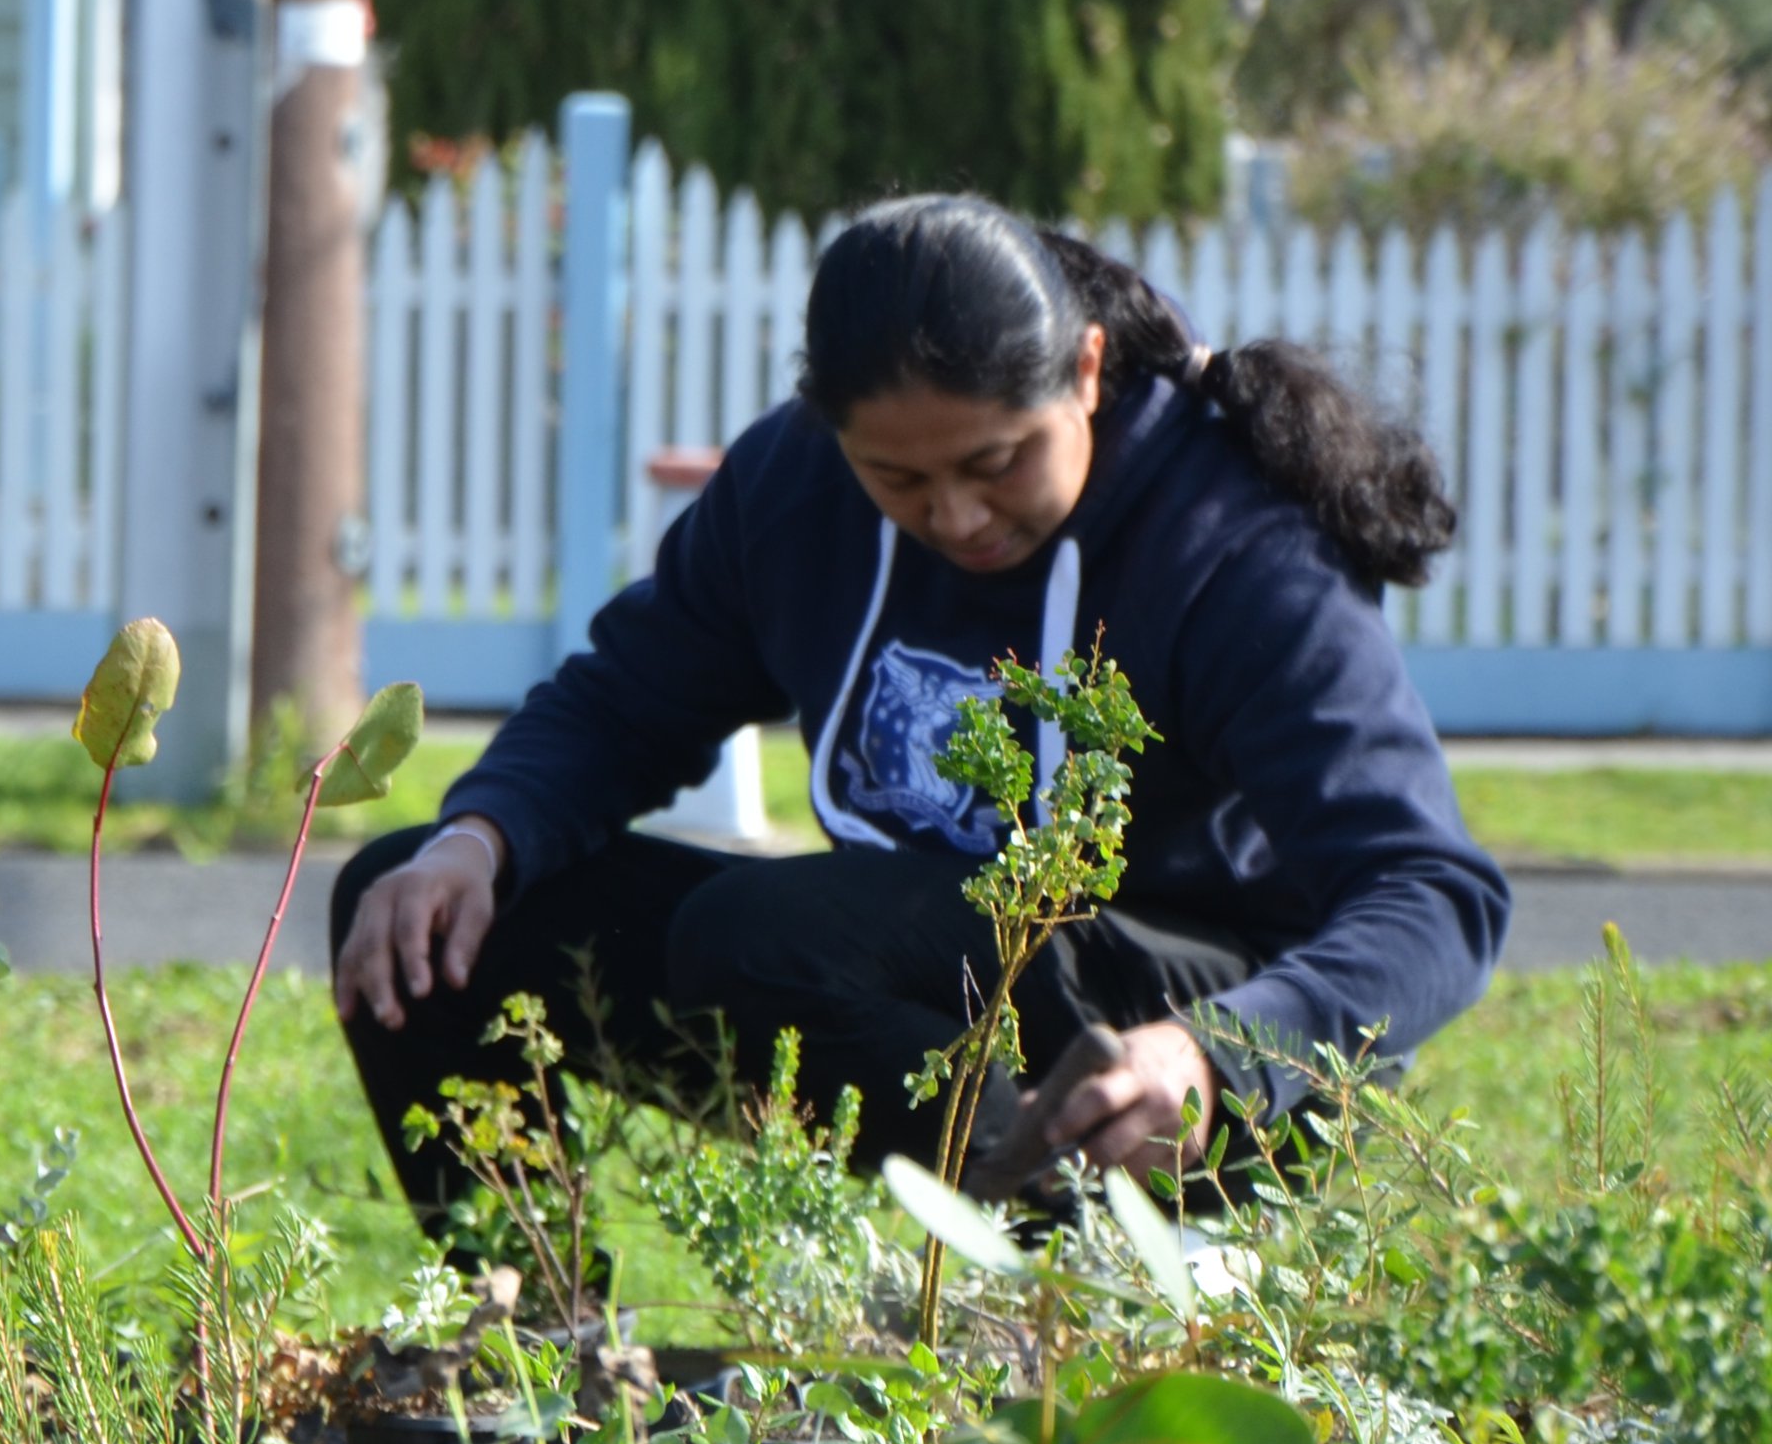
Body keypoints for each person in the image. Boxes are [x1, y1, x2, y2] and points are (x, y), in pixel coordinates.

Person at [329, 194, 1511, 1220]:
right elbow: (622, 704)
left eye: (999, 462)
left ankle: (1069, 1284)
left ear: (1086, 373)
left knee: (765, 938)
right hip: (938, 967)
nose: (956, 516)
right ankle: (536, 1351)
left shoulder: (1232, 549)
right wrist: (475, 840)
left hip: (1208, 1050)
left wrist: (1216, 1056)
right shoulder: (793, 492)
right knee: (412, 911)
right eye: (897, 478)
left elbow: (1434, 895)